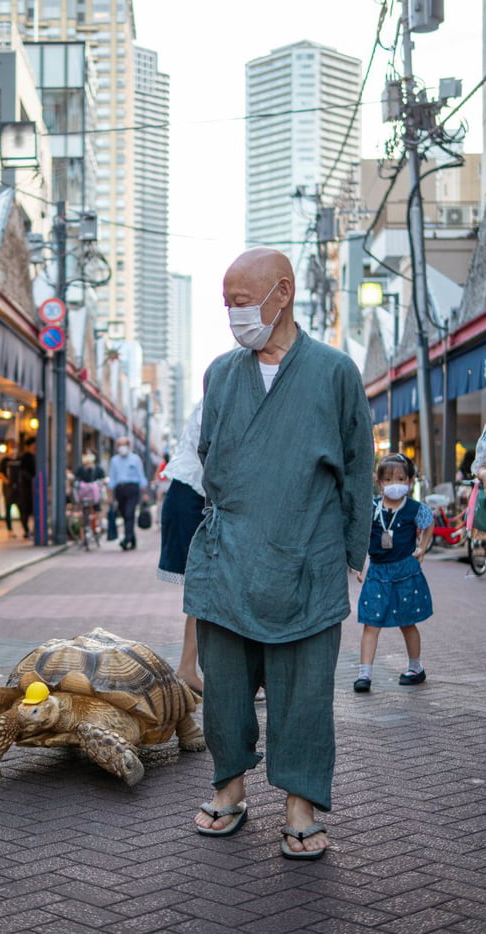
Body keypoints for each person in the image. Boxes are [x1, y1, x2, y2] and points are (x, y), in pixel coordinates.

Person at [184, 247, 374, 857]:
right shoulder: (220, 373)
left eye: (241, 303)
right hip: (230, 554)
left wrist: (350, 553)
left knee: (306, 688)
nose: (234, 317)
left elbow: (358, 467)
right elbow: (210, 456)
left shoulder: (335, 371)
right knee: (227, 684)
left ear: (282, 293)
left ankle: (300, 801)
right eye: (227, 306)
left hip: (306, 555)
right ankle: (230, 787)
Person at [353, 453, 434, 694]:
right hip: (377, 572)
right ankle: (364, 674)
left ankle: (415, 668)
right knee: (370, 623)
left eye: (400, 478)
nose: (394, 483)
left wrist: (422, 548)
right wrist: (360, 564)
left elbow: (429, 523)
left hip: (406, 572)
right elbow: (361, 535)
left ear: (409, 482)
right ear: (379, 482)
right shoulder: (372, 507)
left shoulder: (415, 508)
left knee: (408, 622)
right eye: (388, 479)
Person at [157, 401, 205, 694]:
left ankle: (189, 667)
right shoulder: (218, 396)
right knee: (206, 588)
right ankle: (187, 668)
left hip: (196, 497)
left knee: (211, 589)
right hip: (192, 498)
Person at [108, 436, 149, 550]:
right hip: (119, 489)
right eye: (120, 445)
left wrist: (144, 493)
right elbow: (112, 478)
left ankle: (126, 540)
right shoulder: (114, 460)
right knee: (124, 514)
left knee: (129, 513)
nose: (122, 447)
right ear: (117, 447)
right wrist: (110, 496)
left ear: (128, 446)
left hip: (133, 489)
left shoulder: (135, 459)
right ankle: (132, 539)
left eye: (124, 444)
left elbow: (141, 476)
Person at [73, 450, 106, 538]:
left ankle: (97, 527)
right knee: (81, 513)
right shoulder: (81, 469)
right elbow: (75, 478)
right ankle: (82, 536)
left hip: (94, 496)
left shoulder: (98, 469)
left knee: (96, 510)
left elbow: (103, 479)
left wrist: (100, 485)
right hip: (83, 495)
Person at [0, 440, 22, 538]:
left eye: (14, 447)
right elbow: (0, 473)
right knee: (8, 507)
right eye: (11, 447)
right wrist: (6, 480)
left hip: (19, 486)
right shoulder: (4, 460)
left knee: (21, 506)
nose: (13, 449)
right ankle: (10, 530)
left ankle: (24, 527)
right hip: (8, 487)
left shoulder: (19, 459)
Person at [17, 437, 36, 539]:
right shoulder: (25, 457)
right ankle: (26, 530)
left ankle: (33, 530)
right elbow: (23, 472)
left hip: (35, 487)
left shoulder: (36, 456)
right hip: (26, 487)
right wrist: (31, 479)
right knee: (26, 510)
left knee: (34, 510)